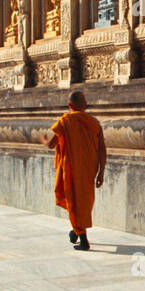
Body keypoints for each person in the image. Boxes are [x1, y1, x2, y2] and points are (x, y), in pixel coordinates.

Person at [40, 92, 106, 250]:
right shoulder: (94, 123)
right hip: (89, 170)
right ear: (85, 105)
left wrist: (43, 139)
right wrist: (101, 172)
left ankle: (83, 240)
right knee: (83, 202)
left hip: (70, 169)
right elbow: (102, 149)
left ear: (70, 106)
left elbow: (51, 144)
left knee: (74, 201)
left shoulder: (65, 121)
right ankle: (76, 232)